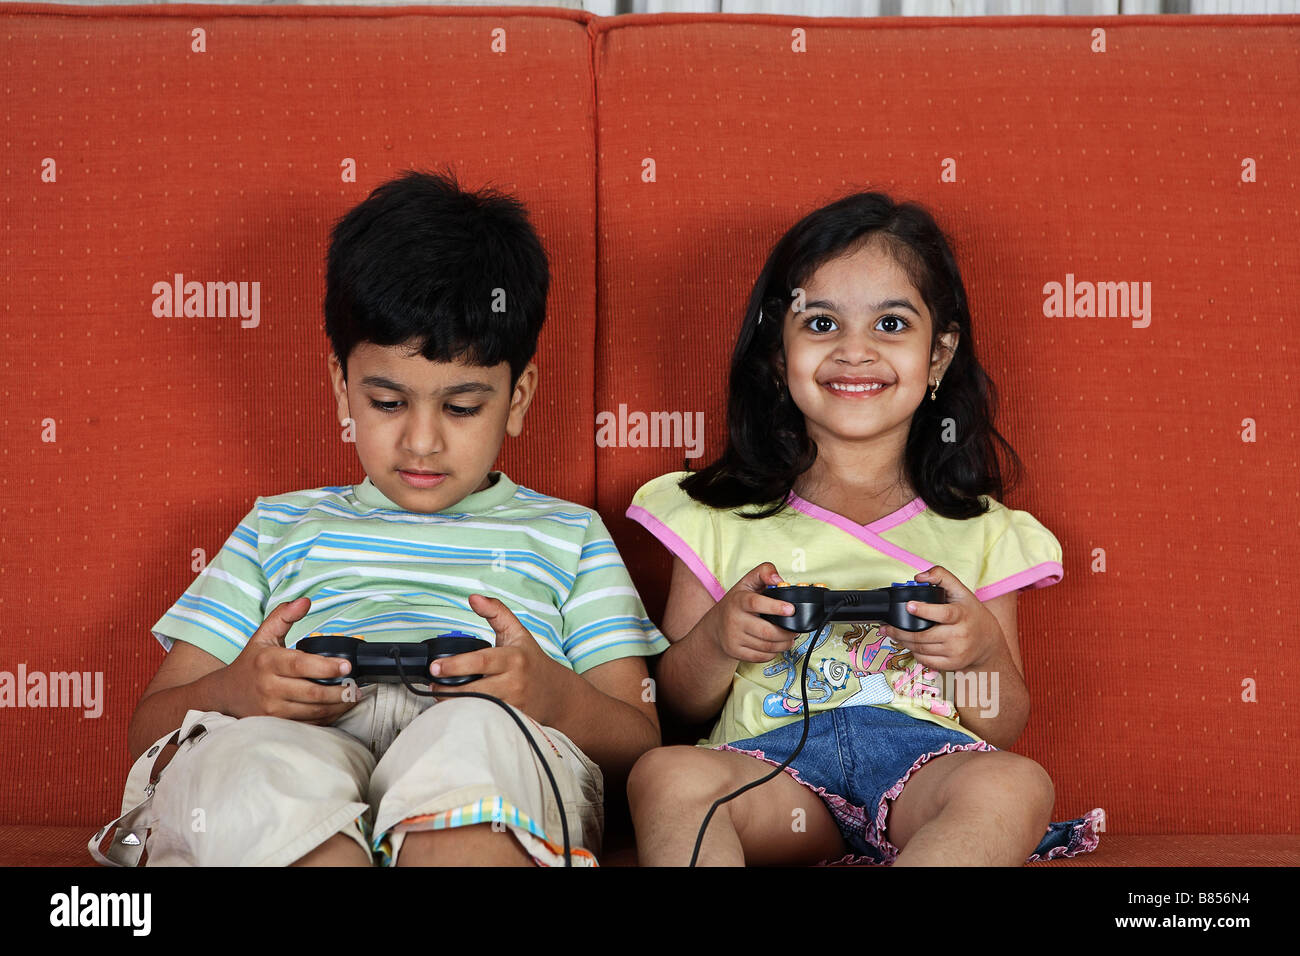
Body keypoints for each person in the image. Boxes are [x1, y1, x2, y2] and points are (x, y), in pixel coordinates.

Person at [98, 168, 667, 867]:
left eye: (462, 407)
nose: (421, 441)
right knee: (254, 762)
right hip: (295, 744)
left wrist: (553, 694)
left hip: (485, 748)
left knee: (475, 738)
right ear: (342, 387)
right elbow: (151, 726)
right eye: (388, 403)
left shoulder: (569, 534)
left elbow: (639, 742)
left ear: (518, 397)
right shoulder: (276, 527)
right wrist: (236, 690)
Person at [624, 191, 1104, 866]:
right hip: (773, 771)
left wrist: (978, 652)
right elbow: (676, 704)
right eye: (821, 324)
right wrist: (720, 638)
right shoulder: (714, 513)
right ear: (774, 351)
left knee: (1016, 780)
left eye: (891, 325)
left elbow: (1002, 721)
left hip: (923, 773)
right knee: (666, 774)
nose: (855, 352)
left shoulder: (983, 530)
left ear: (939, 356)